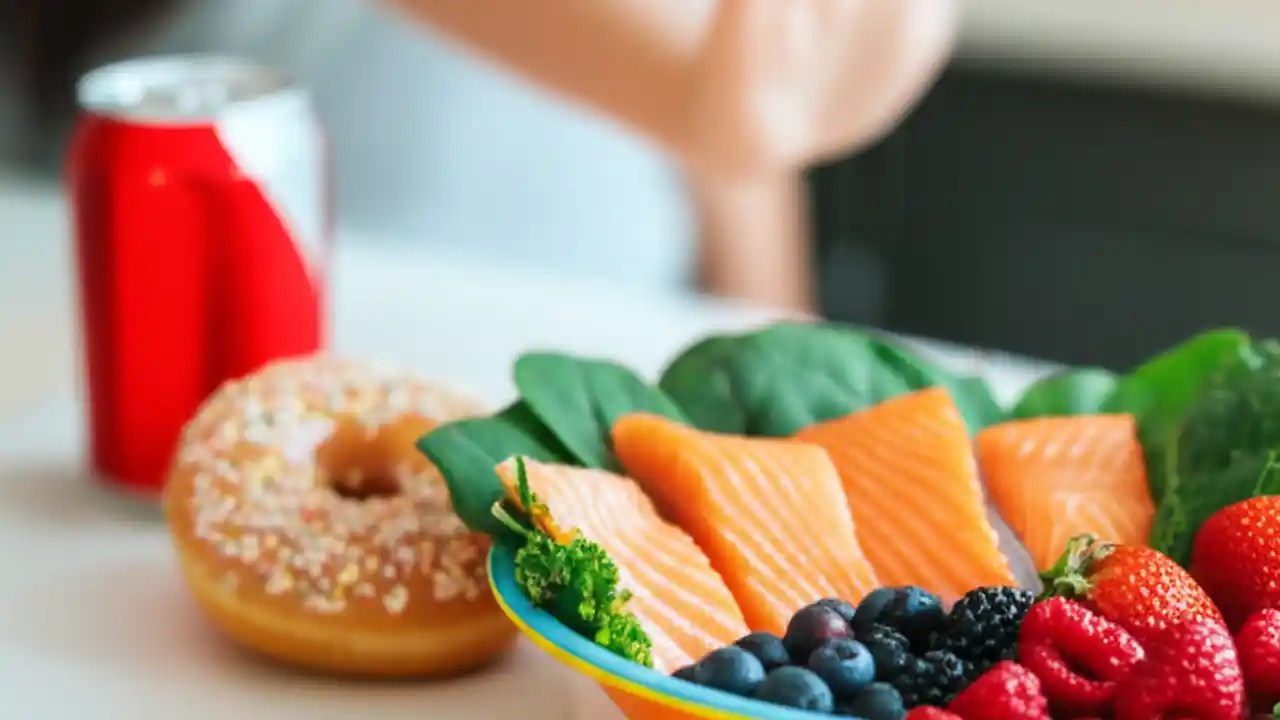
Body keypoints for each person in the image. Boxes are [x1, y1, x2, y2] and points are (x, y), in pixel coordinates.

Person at [1, 0, 957, 311]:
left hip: (611, 376)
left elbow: (744, 152)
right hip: (292, 376)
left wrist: (777, 364)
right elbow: (749, 110)